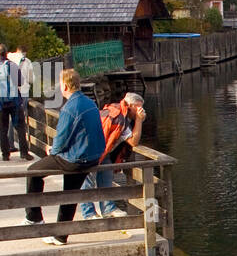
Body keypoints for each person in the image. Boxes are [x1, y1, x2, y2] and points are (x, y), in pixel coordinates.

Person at [25, 68, 105, 246]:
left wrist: (53, 151)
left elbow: (61, 137)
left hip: (75, 159)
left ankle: (34, 216)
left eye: (60, 84)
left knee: (33, 172)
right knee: (70, 192)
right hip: (92, 157)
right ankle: (61, 236)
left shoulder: (70, 108)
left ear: (66, 86)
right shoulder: (90, 102)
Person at [80, 92, 146, 220]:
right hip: (89, 150)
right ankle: (88, 213)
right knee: (87, 182)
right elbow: (133, 141)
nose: (141, 110)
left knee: (106, 177)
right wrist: (139, 120)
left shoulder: (116, 109)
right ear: (130, 105)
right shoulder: (121, 118)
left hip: (102, 150)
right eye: (138, 107)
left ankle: (108, 208)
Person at [0, 46, 29, 161]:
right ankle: (24, 153)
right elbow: (21, 82)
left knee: (2, 129)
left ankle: (5, 155)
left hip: (1, 104)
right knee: (20, 127)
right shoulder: (11, 65)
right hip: (14, 102)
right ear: (6, 53)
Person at [7, 44, 33, 161]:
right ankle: (25, 149)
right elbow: (31, 79)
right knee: (21, 122)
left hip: (9, 94)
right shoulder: (27, 62)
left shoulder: (8, 58)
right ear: (25, 52)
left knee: (9, 121)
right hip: (23, 92)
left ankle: (10, 145)